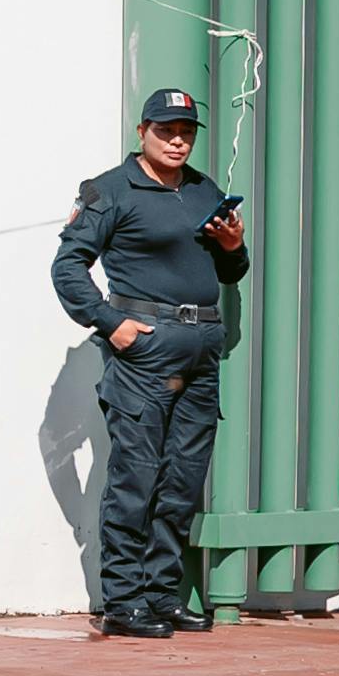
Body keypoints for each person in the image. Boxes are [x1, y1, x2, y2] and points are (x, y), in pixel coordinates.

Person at [54, 85, 250, 633]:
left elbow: (230, 272)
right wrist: (110, 323)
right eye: (166, 131)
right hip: (145, 351)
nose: (177, 141)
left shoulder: (201, 189)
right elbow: (68, 266)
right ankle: (123, 602)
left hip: (200, 351)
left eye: (186, 133)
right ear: (142, 132)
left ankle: (164, 595)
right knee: (136, 478)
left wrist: (233, 247)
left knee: (182, 480)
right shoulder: (110, 190)